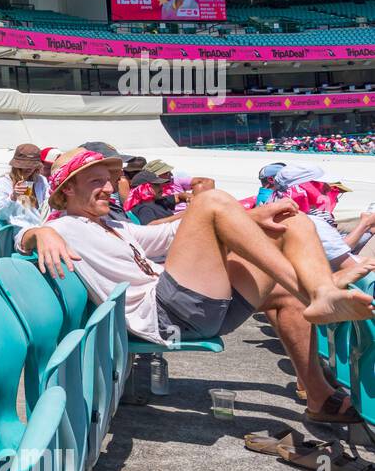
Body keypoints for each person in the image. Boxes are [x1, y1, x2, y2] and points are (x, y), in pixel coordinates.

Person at [20, 148, 374, 428]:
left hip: (186, 304)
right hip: (165, 314)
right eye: (98, 181)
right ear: (67, 188)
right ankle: (316, 291)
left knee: (292, 221)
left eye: (110, 180)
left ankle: (318, 379)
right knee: (210, 201)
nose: (111, 188)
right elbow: (18, 240)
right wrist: (38, 233)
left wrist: (250, 218)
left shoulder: (111, 224)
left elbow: (167, 234)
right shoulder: (63, 227)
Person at [0, 143, 49, 229]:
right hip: (20, 230)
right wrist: (13, 197)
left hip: (42, 228)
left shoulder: (41, 180)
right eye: (25, 165)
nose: (29, 168)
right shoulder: (4, 182)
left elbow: (48, 206)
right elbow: (0, 214)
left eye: (32, 165)